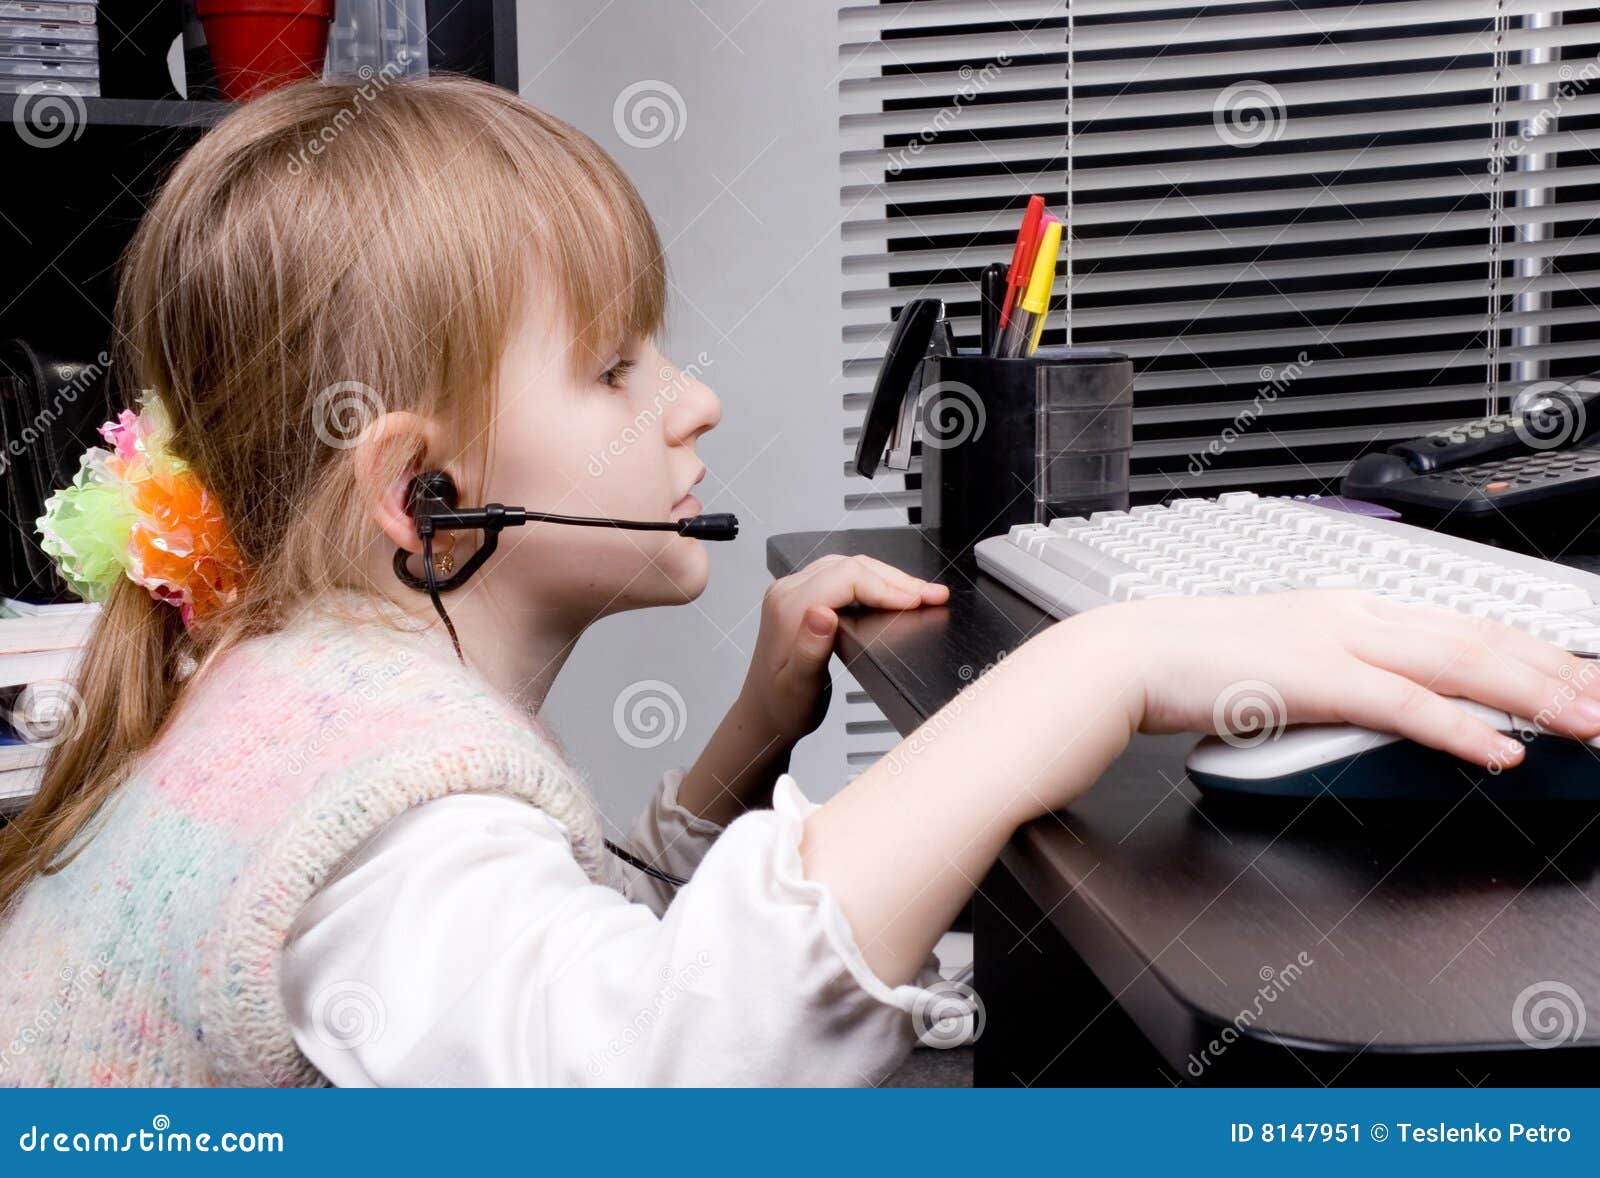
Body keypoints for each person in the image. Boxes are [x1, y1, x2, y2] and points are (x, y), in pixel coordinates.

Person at [0, 77, 1591, 1087]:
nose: (690, 400)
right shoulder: (382, 817)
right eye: (618, 370)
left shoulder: (291, 699)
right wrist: (1092, 669)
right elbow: (665, 1074)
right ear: (424, 490)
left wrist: (737, 756)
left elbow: (540, 961)